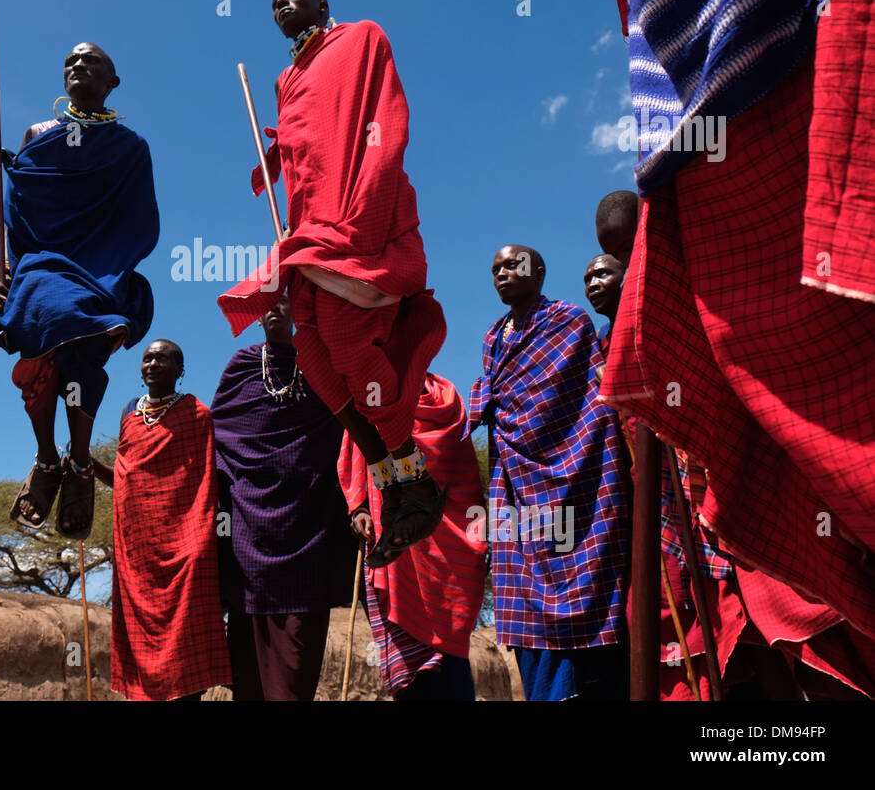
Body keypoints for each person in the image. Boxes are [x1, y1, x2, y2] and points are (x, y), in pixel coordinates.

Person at [514, 0, 875, 641]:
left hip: (788, 30)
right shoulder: (635, 337)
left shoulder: (591, 334)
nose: (599, 282)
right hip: (705, 87)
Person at [591, 201, 875, 701]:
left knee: (798, 600)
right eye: (609, 253)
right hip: (677, 504)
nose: (623, 264)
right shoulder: (609, 345)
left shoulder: (701, 283)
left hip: (746, 471)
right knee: (731, 620)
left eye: (626, 248)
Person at [218, 0, 447, 568]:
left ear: (323, 6)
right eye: (273, 0)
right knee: (316, 361)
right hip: (307, 230)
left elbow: (383, 120)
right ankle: (392, 480)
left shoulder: (361, 38)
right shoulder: (283, 79)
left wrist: (366, 211)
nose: (283, 3)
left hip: (358, 218)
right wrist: (276, 151)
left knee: (349, 343)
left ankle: (415, 479)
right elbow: (309, 136)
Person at [0, 43, 157, 542]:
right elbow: (22, 214)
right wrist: (2, 266)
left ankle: (73, 461)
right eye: (71, 62)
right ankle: (49, 455)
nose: (78, 67)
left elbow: (138, 221)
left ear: (113, 81)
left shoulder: (130, 147)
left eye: (92, 62)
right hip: (41, 263)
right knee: (48, 317)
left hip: (101, 266)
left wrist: (113, 265)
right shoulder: (39, 134)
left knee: (79, 345)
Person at [468, 244, 630, 700]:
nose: (502, 274)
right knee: (522, 600)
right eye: (494, 268)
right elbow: (502, 407)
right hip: (513, 487)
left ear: (539, 273)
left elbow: (586, 407)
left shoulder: (568, 322)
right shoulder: (491, 339)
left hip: (579, 478)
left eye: (512, 265)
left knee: (592, 587)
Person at [211, 295, 354, 701]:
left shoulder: (321, 366)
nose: (275, 309)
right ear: (257, 318)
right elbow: (218, 442)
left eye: (286, 303)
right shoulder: (241, 368)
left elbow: (346, 433)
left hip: (306, 534)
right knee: (247, 673)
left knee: (293, 673)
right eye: (268, 305)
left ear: (300, 315)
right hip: (247, 539)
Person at [90, 339, 230, 701]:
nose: (152, 364)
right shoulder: (128, 414)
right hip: (138, 547)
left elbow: (206, 480)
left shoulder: (197, 414)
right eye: (147, 358)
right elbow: (125, 478)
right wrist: (87, 466)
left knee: (187, 638)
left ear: (179, 370)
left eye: (163, 359)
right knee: (139, 640)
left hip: (185, 542)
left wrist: (200, 539)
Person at [338, 372, 487, 700]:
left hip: (451, 559)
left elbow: (462, 478)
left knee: (451, 666)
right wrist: (359, 509)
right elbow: (357, 457)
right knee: (415, 677)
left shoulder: (445, 398)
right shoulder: (369, 398)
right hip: (398, 551)